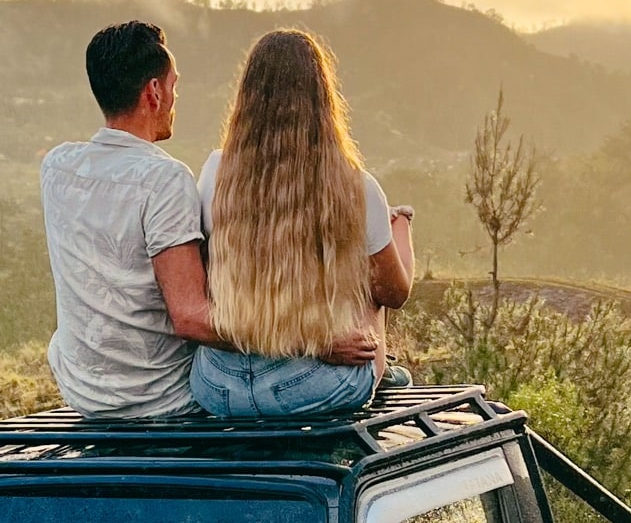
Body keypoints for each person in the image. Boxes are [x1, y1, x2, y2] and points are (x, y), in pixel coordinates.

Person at [190, 28, 415, 417]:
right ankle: (381, 367)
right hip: (312, 384)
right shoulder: (357, 187)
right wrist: (400, 230)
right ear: (323, 100)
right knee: (369, 289)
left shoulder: (213, 174)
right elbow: (394, 293)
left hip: (217, 385)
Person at [39, 21, 214, 417]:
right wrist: (303, 338)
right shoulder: (165, 179)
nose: (174, 98)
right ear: (153, 92)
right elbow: (190, 318)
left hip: (83, 395)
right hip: (161, 402)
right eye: (174, 86)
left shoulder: (57, 167)